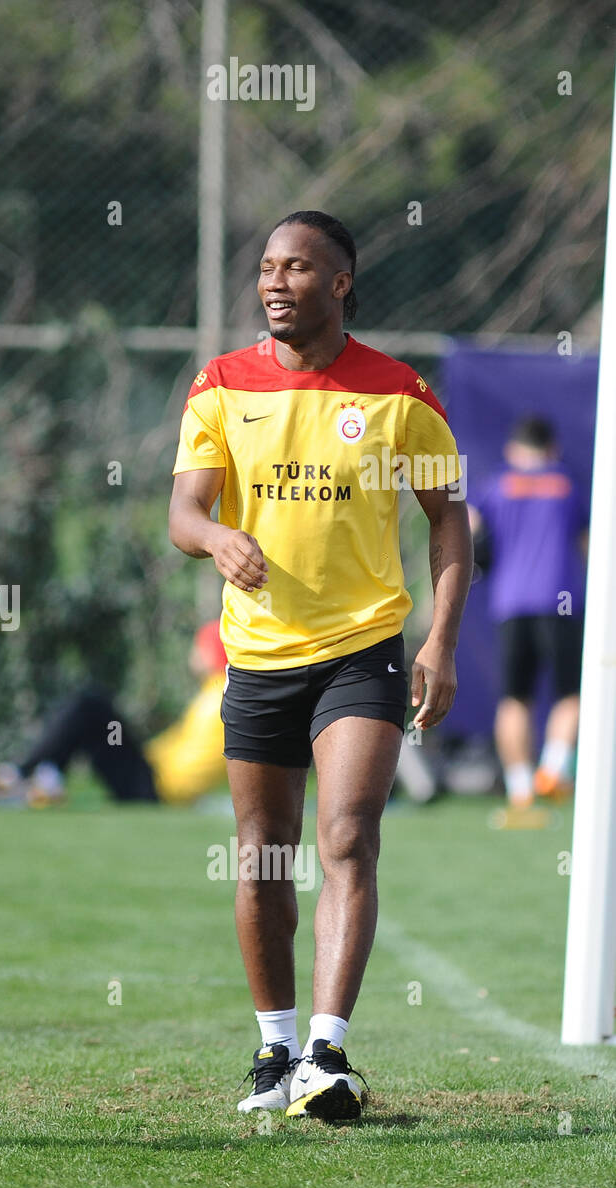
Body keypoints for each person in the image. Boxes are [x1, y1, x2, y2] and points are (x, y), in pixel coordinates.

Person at [168, 211, 471, 1122]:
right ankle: (274, 1047)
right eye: (266, 266)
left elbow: (450, 518)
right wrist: (219, 538)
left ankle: (328, 1052)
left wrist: (442, 642)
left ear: (340, 282)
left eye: (296, 267)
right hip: (257, 657)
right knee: (263, 852)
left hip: (362, 651)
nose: (274, 281)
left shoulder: (398, 393)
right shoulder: (220, 384)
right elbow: (184, 513)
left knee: (347, 836)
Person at [0, 620, 228, 808]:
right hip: (154, 777)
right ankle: (44, 780)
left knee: (90, 704)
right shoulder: (212, 694)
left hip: (156, 788)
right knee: (90, 707)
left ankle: (22, 775)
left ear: (208, 653)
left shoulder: (218, 699)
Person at [467, 416, 587, 816]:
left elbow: (469, 528)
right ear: (551, 449)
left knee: (516, 697)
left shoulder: (496, 486)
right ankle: (552, 768)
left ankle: (520, 791)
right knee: (571, 693)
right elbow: (587, 542)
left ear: (514, 450)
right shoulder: (568, 486)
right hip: (562, 603)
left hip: (511, 605)